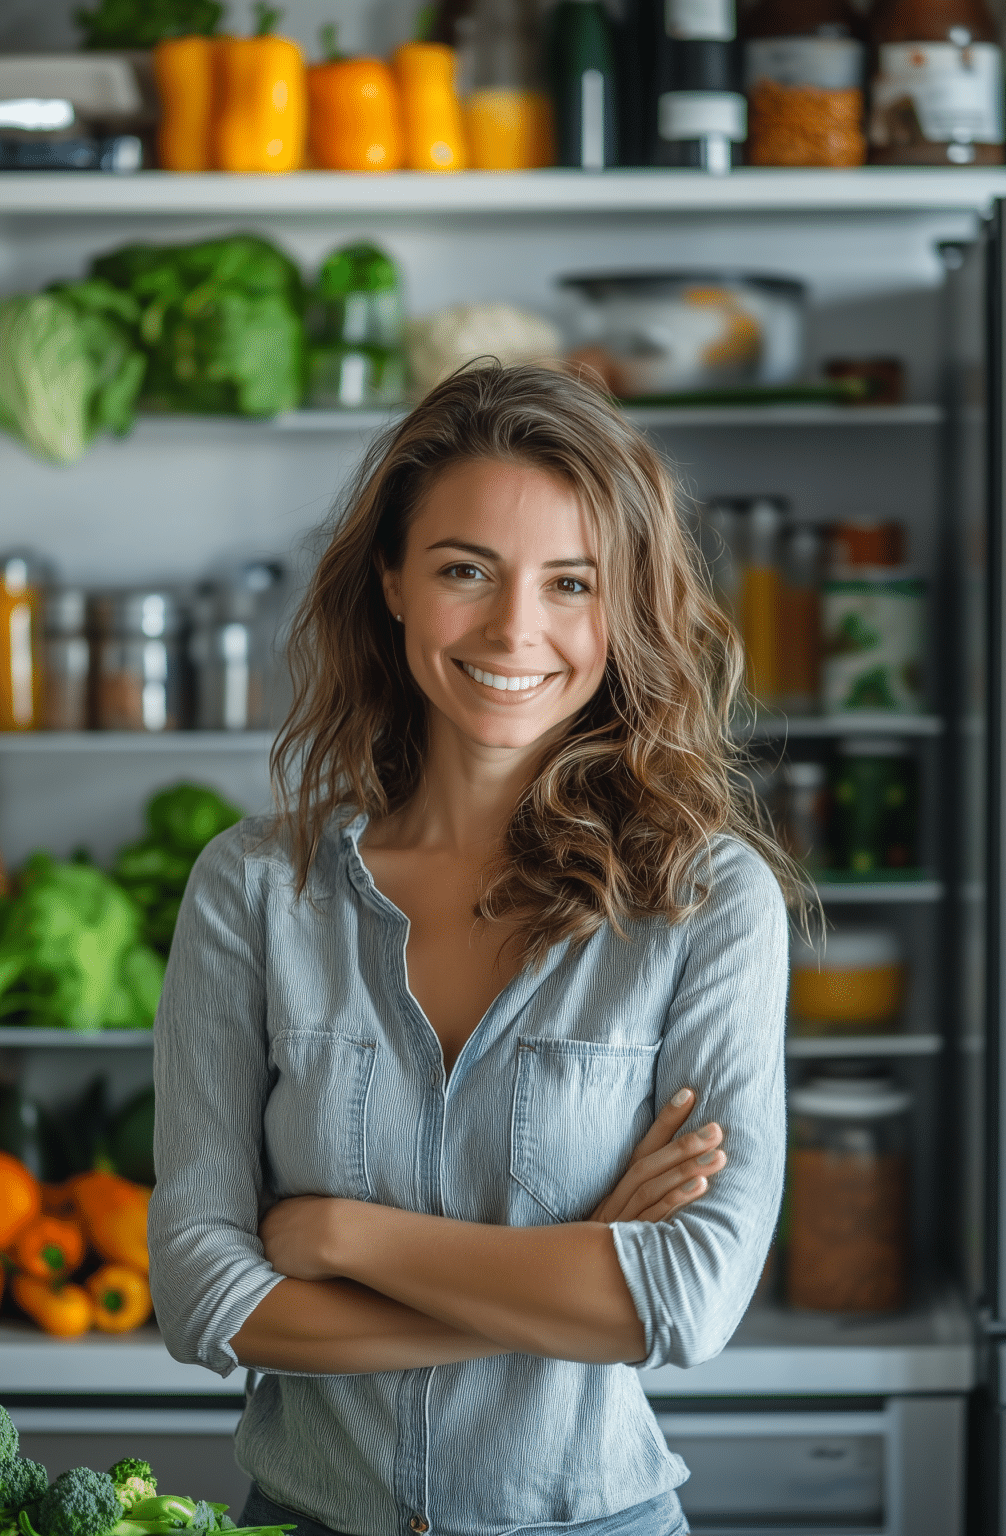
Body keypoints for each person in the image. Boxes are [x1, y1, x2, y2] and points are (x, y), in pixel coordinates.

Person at [148, 363, 793, 1536]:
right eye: (465, 570)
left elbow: (686, 1301)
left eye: (570, 583)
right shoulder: (254, 889)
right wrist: (571, 1270)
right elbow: (206, 1298)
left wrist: (344, 1238)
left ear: (625, 608)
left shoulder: (705, 902)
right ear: (392, 582)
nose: (514, 629)